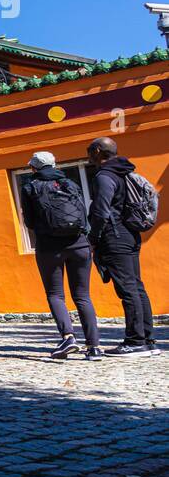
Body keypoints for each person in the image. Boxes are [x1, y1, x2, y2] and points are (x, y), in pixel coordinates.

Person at [19, 152, 101, 359]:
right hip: (80, 245)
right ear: (55, 164)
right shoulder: (71, 183)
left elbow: (28, 221)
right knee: (82, 296)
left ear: (33, 168)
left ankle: (68, 337)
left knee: (55, 294)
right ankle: (94, 348)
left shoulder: (30, 187)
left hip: (49, 248)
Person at [87, 137, 159, 356]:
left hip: (115, 236)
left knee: (128, 289)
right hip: (130, 234)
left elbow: (101, 210)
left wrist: (93, 237)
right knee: (136, 287)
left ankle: (136, 341)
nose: (89, 156)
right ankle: (146, 340)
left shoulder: (105, 176)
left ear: (98, 151)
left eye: (90, 152)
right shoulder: (124, 171)